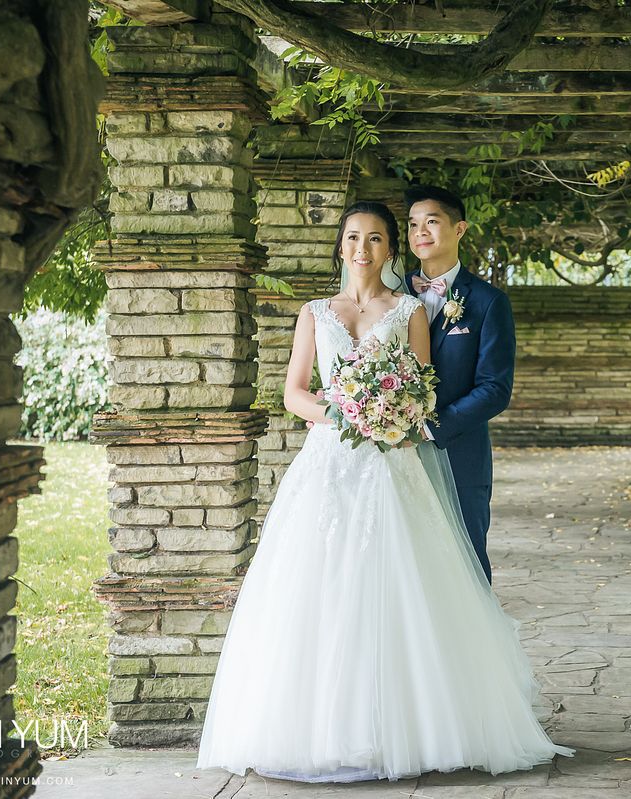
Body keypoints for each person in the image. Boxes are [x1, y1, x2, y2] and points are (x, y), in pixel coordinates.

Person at [195, 200, 572, 783]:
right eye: (352, 237)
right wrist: (343, 413)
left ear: (389, 249)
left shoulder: (411, 311)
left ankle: (416, 726)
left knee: (404, 584)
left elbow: (423, 389)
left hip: (392, 461)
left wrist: (388, 414)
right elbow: (295, 393)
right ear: (340, 245)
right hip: (328, 463)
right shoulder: (313, 314)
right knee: (320, 584)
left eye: (375, 238)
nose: (362, 248)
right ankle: (319, 730)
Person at [404, 184, 516, 584]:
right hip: (392, 454)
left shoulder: (487, 302)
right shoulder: (390, 295)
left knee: (466, 562)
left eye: (431, 222)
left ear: (460, 229)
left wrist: (429, 427)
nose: (420, 232)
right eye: (412, 224)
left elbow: (494, 389)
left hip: (459, 452)